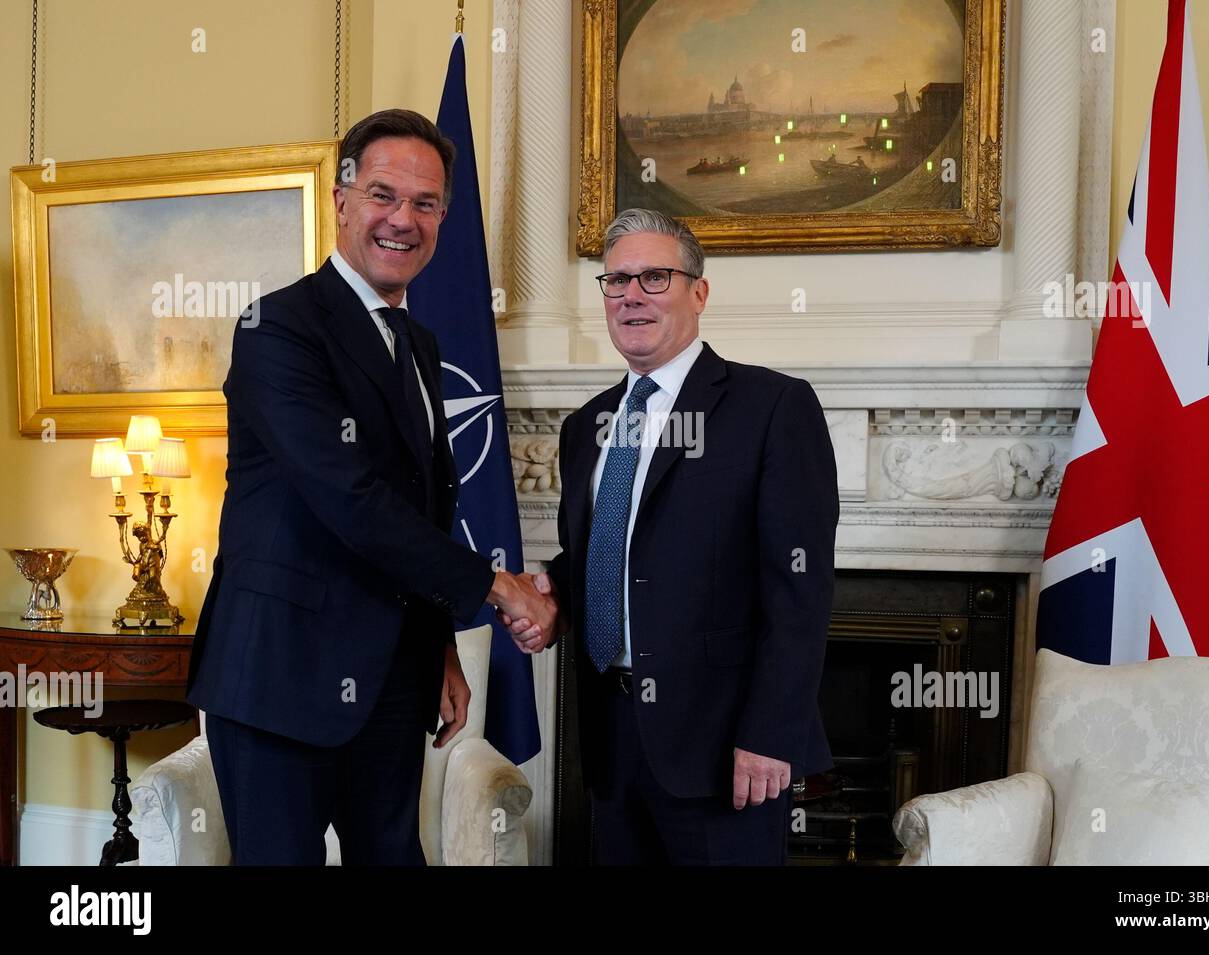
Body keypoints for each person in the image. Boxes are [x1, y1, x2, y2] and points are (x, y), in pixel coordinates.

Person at [187, 109, 555, 865]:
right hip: (278, 679)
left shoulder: (419, 342)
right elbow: (349, 497)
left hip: (388, 682)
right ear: (342, 198)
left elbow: (419, 509)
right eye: (384, 194)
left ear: (444, 218)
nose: (403, 220)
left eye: (425, 204)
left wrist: (439, 653)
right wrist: (497, 587)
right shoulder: (276, 327)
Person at [503, 208, 838, 864]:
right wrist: (551, 601)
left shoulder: (771, 407)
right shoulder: (586, 426)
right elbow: (607, 555)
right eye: (617, 280)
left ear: (698, 292)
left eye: (655, 277)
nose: (632, 294)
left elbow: (799, 587)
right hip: (612, 741)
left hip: (726, 749)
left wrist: (772, 731)